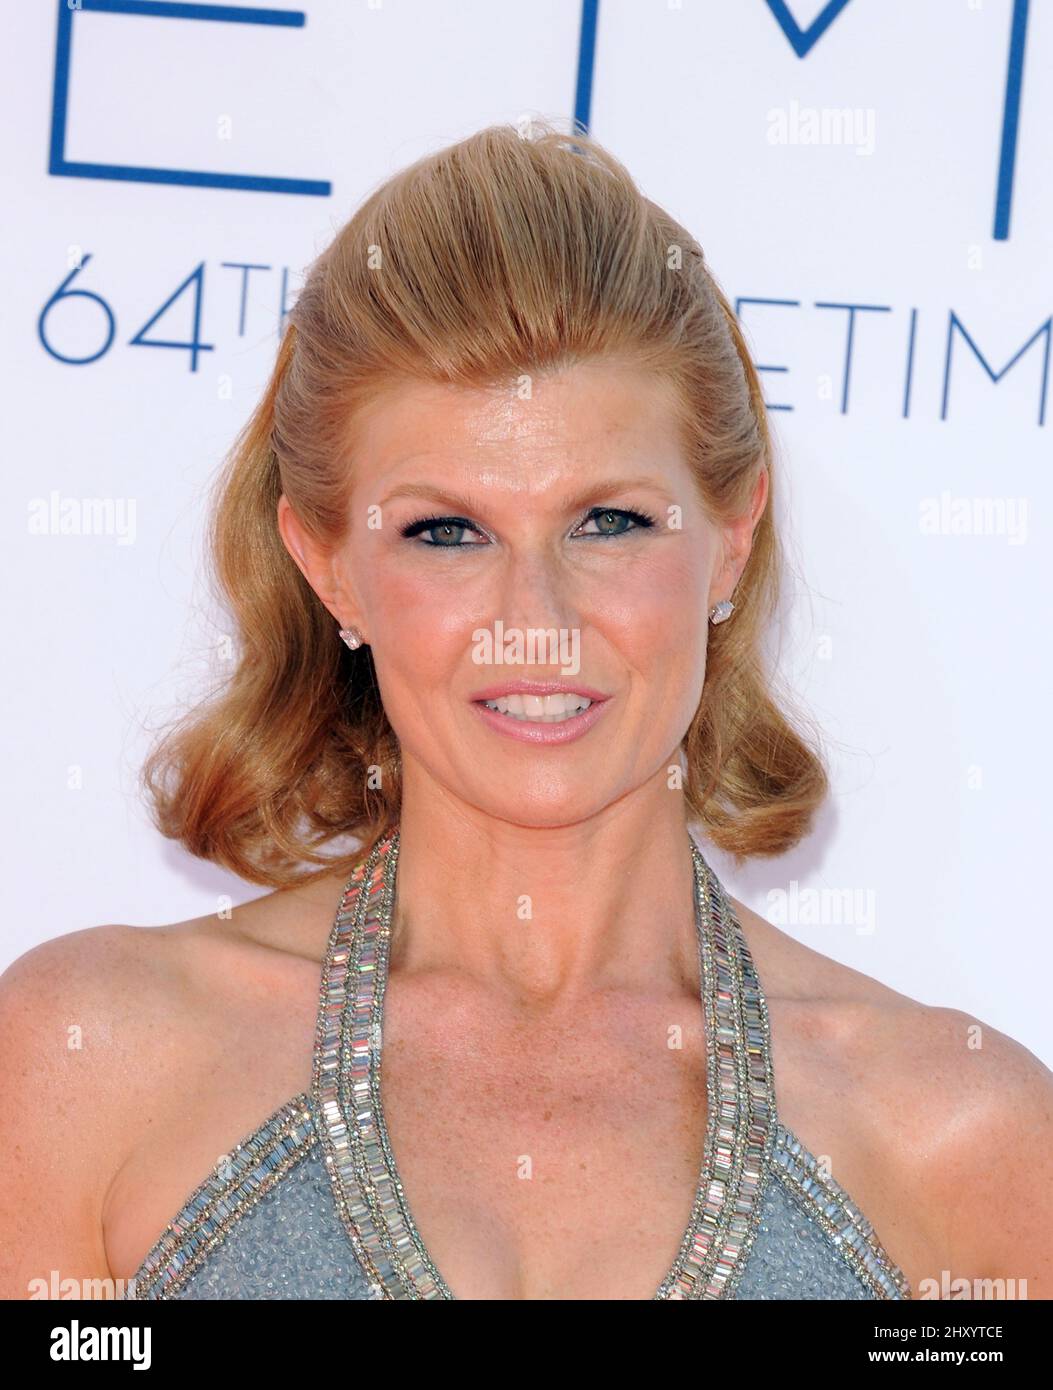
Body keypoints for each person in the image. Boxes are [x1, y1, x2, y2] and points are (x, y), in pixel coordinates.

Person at [2, 121, 1050, 1302]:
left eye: (610, 522)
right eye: (446, 533)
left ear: (732, 536)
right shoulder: (87, 1064)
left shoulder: (968, 1144)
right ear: (328, 564)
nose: (533, 617)